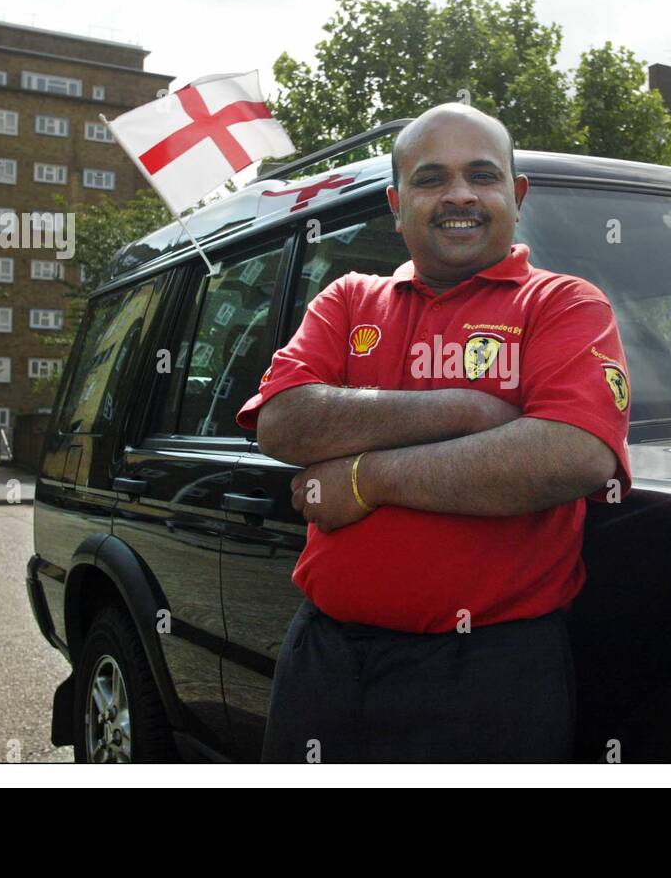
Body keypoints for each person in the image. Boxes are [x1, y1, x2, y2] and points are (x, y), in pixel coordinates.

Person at [236, 102, 632, 762]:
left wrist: (366, 477)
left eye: (482, 175)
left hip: (489, 679)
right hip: (323, 662)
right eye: (430, 179)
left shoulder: (564, 304)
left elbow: (574, 452)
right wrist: (469, 409)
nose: (459, 195)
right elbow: (282, 418)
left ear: (516, 194)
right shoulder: (346, 300)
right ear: (396, 204)